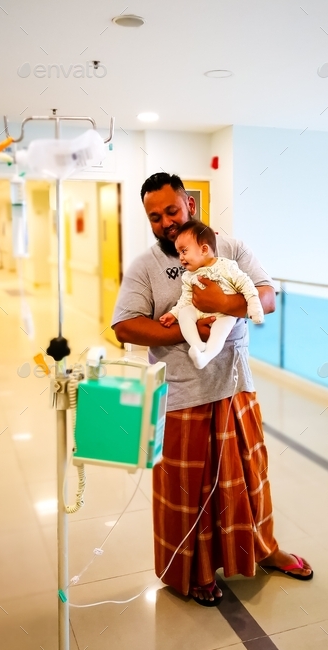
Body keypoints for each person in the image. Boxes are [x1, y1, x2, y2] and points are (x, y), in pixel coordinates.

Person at [112, 172, 313, 606]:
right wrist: (187, 332)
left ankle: (265, 550)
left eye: (171, 210)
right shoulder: (145, 266)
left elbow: (268, 296)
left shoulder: (231, 249)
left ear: (190, 205)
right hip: (182, 396)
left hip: (236, 388)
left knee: (249, 480)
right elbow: (123, 326)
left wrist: (223, 306)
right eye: (154, 216)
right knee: (189, 491)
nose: (165, 222)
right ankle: (194, 572)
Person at [159, 219, 264, 369]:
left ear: (203, 250)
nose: (180, 257)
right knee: (184, 313)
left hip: (224, 315)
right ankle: (197, 344)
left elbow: (245, 284)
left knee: (219, 335)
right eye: (178, 253)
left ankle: (205, 358)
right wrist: (174, 313)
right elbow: (186, 299)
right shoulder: (189, 276)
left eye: (184, 251)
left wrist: (254, 305)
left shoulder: (226, 266)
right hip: (198, 311)